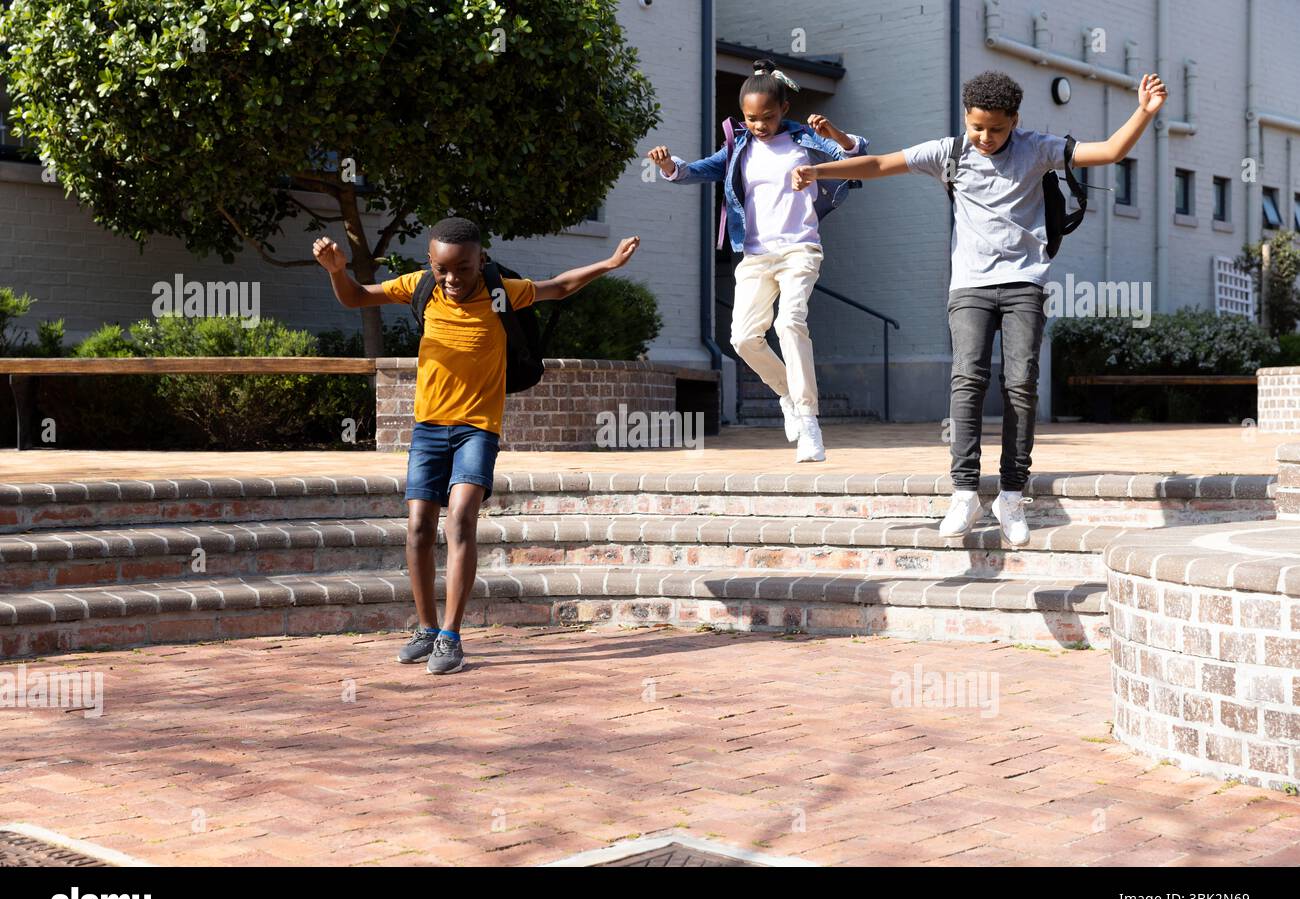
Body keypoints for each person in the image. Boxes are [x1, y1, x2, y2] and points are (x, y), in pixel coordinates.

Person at [794, 70, 1166, 542]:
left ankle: (1012, 494)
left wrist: (1145, 112)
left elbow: (1110, 151)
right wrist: (818, 171)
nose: (986, 138)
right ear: (965, 119)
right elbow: (879, 164)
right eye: (977, 127)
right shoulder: (949, 152)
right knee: (967, 379)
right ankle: (965, 492)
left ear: (1015, 120)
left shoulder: (1038, 148)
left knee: (1020, 383)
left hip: (1024, 284)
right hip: (969, 285)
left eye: (996, 128)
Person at [313, 217, 639, 673]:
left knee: (462, 519)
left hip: (477, 428)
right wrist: (336, 270)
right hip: (428, 428)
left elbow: (558, 287)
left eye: (462, 268)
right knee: (419, 529)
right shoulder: (420, 285)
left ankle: (451, 636)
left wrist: (608, 262)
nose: (450, 279)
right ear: (431, 264)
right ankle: (426, 629)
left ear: (480, 260)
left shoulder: (501, 290)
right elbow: (356, 297)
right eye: (441, 269)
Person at [649, 58, 868, 463]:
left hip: (800, 248)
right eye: (751, 118)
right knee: (743, 338)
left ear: (784, 109)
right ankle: (787, 392)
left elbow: (857, 155)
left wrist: (832, 133)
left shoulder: (805, 140)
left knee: (789, 322)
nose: (759, 125)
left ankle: (809, 421)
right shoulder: (738, 149)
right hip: (755, 255)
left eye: (767, 117)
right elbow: (695, 171)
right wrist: (669, 166)